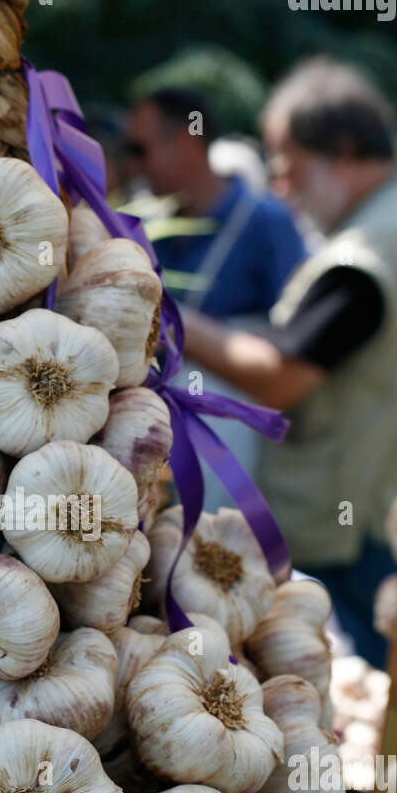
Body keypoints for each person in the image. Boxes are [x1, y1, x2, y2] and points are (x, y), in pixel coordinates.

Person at [177, 58, 397, 666]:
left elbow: (281, 377)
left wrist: (176, 320)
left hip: (362, 530)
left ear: (342, 149)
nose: (280, 182)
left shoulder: (370, 250)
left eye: (286, 161)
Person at [122, 87, 307, 505]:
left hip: (236, 459)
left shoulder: (266, 221)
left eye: (139, 149)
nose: (132, 165)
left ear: (186, 140)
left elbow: (294, 349)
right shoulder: (148, 224)